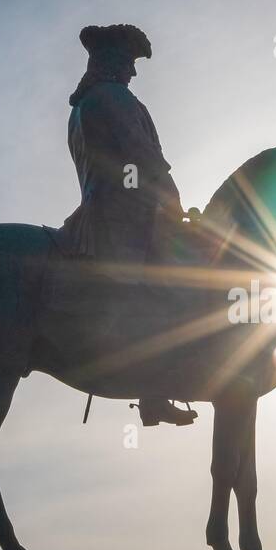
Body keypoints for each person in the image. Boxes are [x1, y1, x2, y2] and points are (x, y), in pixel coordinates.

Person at [61, 23, 195, 427]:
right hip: (126, 217)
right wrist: (171, 196)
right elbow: (143, 157)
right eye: (129, 62)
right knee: (175, 286)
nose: (134, 72)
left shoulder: (85, 104)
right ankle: (154, 394)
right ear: (111, 61)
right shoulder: (113, 98)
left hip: (104, 211)